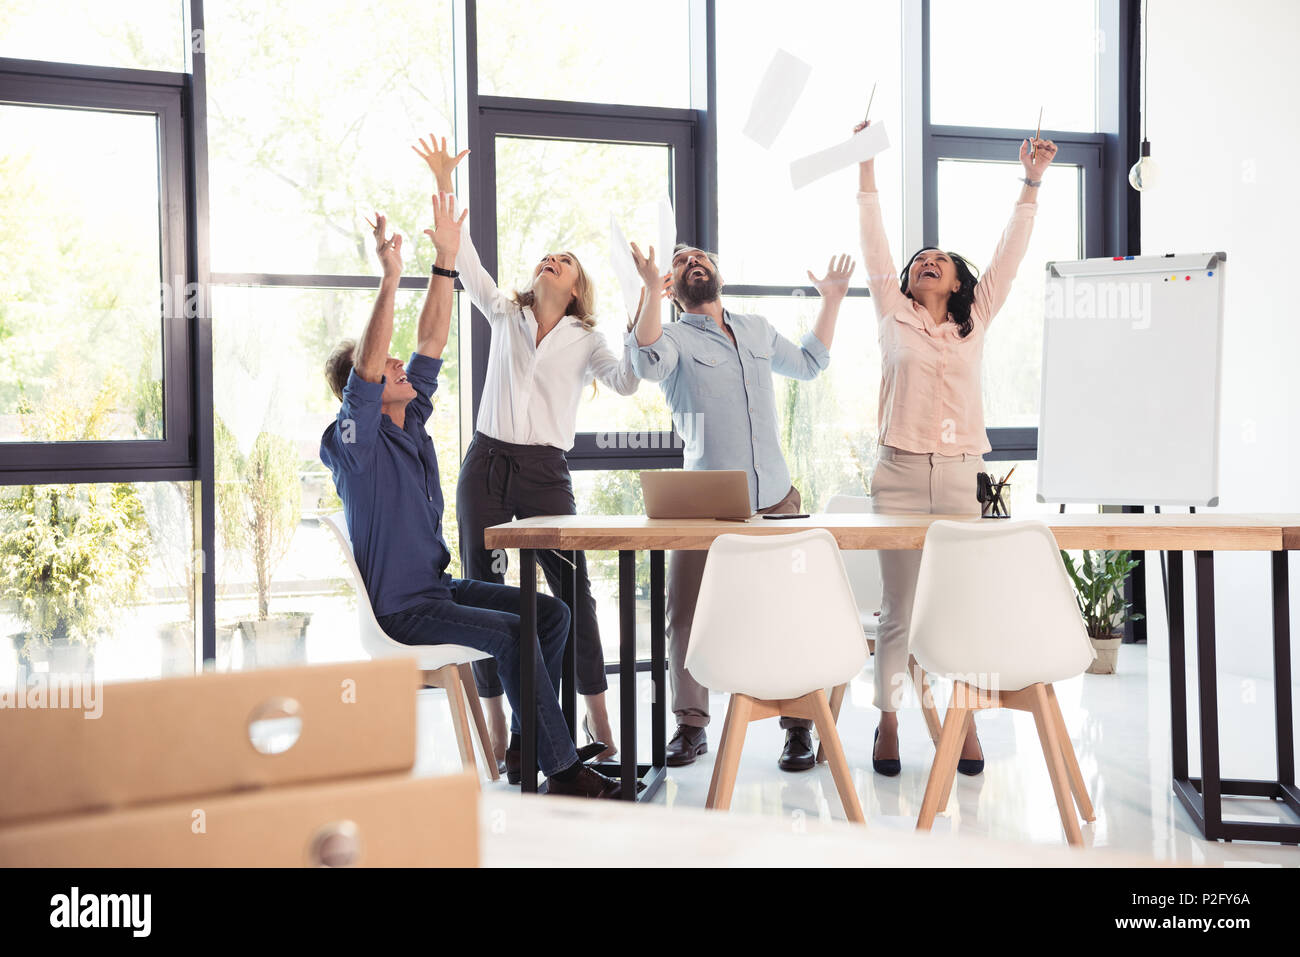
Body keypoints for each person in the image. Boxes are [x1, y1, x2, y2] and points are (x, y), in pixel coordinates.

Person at [320, 191, 620, 798]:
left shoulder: (412, 420)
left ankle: (529, 745)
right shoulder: (354, 439)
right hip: (402, 610)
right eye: (386, 369)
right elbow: (373, 365)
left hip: (436, 590)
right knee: (513, 633)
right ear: (367, 387)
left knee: (553, 611)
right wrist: (390, 277)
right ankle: (561, 769)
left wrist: (439, 266)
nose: (402, 365)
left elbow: (430, 339)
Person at [413, 136, 639, 778]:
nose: (552, 260)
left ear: (575, 289)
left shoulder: (588, 337)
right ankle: (496, 733)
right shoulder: (504, 312)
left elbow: (625, 382)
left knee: (575, 594)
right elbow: (464, 254)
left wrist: (639, 311)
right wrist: (442, 179)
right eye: (548, 256)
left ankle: (597, 720)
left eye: (565, 261)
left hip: (545, 473)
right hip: (486, 465)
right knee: (483, 596)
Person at [855, 118, 1058, 776]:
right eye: (917, 261)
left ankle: (962, 726)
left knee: (964, 604)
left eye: (935, 259)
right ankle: (888, 721)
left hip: (971, 476)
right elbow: (874, 241)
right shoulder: (894, 313)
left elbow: (1009, 256)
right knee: (899, 610)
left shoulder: (977, 318)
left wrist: (1030, 184)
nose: (924, 261)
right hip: (901, 473)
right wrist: (865, 170)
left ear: (956, 281)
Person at [627, 238, 855, 771]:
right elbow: (644, 363)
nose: (692, 262)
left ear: (718, 272)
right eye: (680, 261)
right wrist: (646, 294)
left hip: (777, 499)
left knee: (790, 613)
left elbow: (809, 363)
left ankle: (798, 726)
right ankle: (691, 725)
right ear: (672, 286)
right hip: (704, 507)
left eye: (699, 255)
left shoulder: (755, 328)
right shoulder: (674, 337)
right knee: (685, 616)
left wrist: (834, 299)